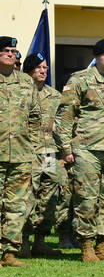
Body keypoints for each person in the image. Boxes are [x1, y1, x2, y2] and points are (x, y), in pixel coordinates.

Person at [55, 38, 104, 263]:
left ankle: (103, 244)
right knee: (86, 198)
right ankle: (86, 245)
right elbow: (65, 116)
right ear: (97, 57)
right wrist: (65, 149)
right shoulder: (80, 80)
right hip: (87, 147)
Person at [20, 51, 67, 258]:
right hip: (28, 152)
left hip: (49, 154)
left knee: (49, 196)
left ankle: (41, 240)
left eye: (45, 68)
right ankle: (23, 242)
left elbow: (62, 126)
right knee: (27, 197)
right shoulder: (21, 92)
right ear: (29, 70)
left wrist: (65, 153)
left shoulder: (55, 95)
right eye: (39, 67)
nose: (43, 71)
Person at [0, 37, 40, 267]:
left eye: (14, 51)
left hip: (21, 154)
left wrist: (31, 142)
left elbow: (35, 116)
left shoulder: (26, 82)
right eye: (6, 50)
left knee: (17, 205)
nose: (11, 54)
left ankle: (9, 252)